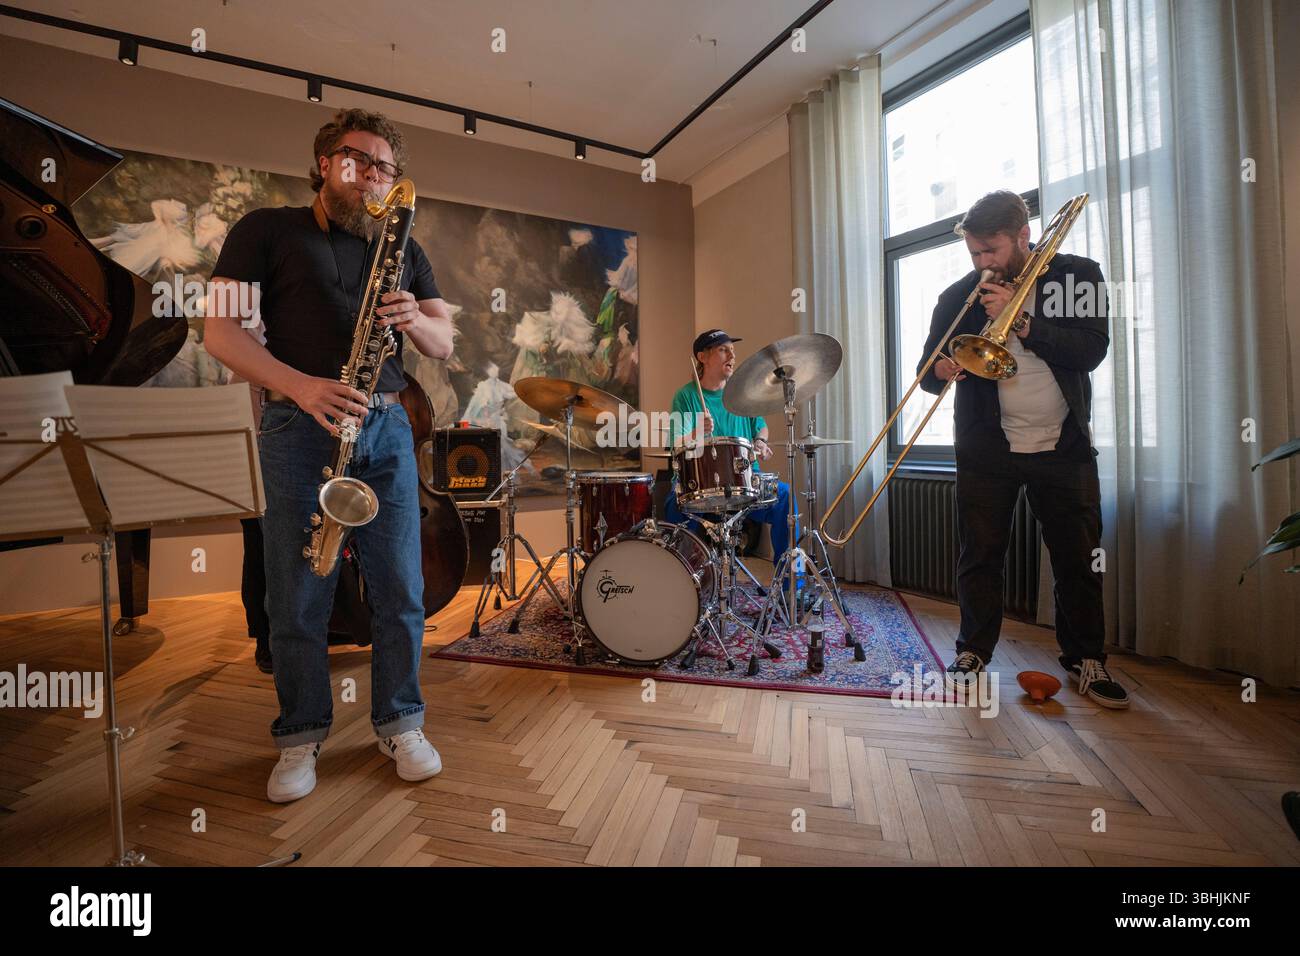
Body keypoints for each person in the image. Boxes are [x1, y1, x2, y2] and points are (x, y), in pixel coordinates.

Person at [205, 108, 456, 802]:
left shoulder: (404, 245)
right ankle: (301, 733)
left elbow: (444, 343)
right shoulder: (264, 229)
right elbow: (219, 333)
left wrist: (418, 319)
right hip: (298, 425)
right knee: (296, 592)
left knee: (402, 589)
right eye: (360, 160)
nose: (374, 175)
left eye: (385, 166)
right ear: (325, 163)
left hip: (386, 428)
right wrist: (300, 385)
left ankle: (401, 720)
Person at [917, 190, 1127, 708]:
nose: (984, 263)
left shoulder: (1077, 277)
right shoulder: (959, 296)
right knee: (980, 555)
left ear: (1023, 235)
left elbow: (1092, 351)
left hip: (1064, 446)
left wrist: (1023, 320)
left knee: (1078, 559)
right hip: (988, 449)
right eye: (975, 253)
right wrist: (946, 367)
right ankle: (973, 653)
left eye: (992, 250)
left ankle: (1085, 659)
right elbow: (927, 373)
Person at [665, 329, 798, 564]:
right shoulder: (685, 396)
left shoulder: (742, 394)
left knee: (785, 496)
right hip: (700, 481)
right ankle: (687, 583)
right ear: (702, 357)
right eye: (723, 350)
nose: (731, 356)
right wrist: (697, 432)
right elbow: (674, 445)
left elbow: (761, 427)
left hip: (745, 480)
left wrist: (760, 441)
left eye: (733, 351)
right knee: (673, 504)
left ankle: (788, 585)